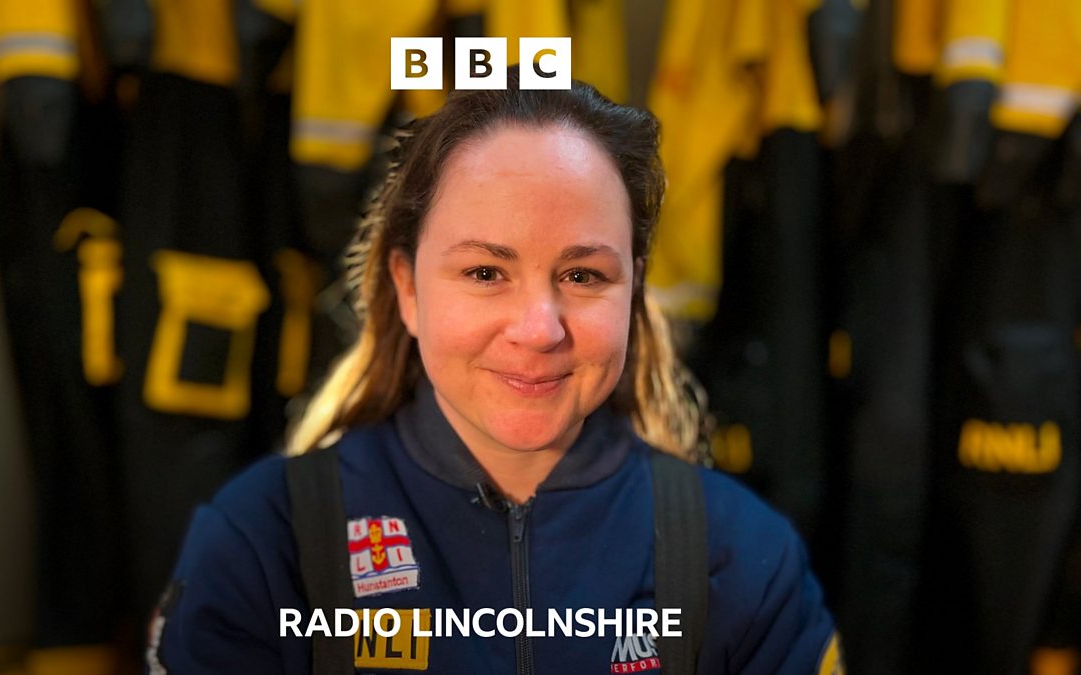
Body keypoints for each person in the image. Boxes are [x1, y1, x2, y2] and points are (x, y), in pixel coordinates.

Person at [146, 70, 841, 674]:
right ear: (408, 287)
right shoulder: (260, 545)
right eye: (486, 271)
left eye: (582, 273)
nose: (540, 328)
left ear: (634, 290)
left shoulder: (747, 559)